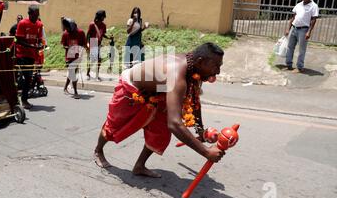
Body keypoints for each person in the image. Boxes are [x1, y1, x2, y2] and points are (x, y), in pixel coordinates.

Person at [94, 43, 226, 178]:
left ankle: (139, 166)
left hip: (160, 91)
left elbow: (194, 99)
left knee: (160, 132)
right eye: (216, 66)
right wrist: (206, 152)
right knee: (114, 126)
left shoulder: (194, 68)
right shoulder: (176, 75)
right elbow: (174, 123)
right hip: (132, 88)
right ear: (201, 62)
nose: (218, 72)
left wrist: (201, 131)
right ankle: (98, 150)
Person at [15, 5, 44, 109]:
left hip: (32, 55)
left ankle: (23, 98)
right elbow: (18, 39)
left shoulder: (39, 25)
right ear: (30, 13)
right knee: (26, 77)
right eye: (35, 15)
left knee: (29, 78)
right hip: (21, 54)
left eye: (38, 15)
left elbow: (39, 39)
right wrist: (31, 46)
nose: (36, 17)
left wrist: (40, 45)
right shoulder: (22, 23)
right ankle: (23, 99)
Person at [285, 0, 319, 73]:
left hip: (303, 30)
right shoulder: (299, 4)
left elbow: (314, 19)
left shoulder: (314, 6)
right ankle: (288, 65)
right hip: (294, 28)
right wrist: (288, 29)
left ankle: (300, 67)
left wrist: (309, 32)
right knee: (290, 47)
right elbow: (293, 17)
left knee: (301, 50)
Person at [61, 17, 86, 99]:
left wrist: (80, 50)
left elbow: (84, 44)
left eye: (68, 27)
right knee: (72, 73)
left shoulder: (81, 33)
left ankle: (65, 88)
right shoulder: (65, 34)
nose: (66, 29)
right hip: (69, 57)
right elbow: (63, 45)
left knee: (72, 73)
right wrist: (68, 47)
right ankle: (75, 92)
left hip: (77, 57)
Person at [86, 10, 112, 81]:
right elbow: (88, 34)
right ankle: (96, 76)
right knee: (98, 60)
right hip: (93, 42)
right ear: (100, 16)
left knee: (94, 60)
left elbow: (103, 34)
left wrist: (109, 38)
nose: (104, 18)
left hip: (99, 43)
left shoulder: (104, 25)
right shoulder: (92, 24)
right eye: (103, 16)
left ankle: (89, 73)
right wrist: (87, 44)